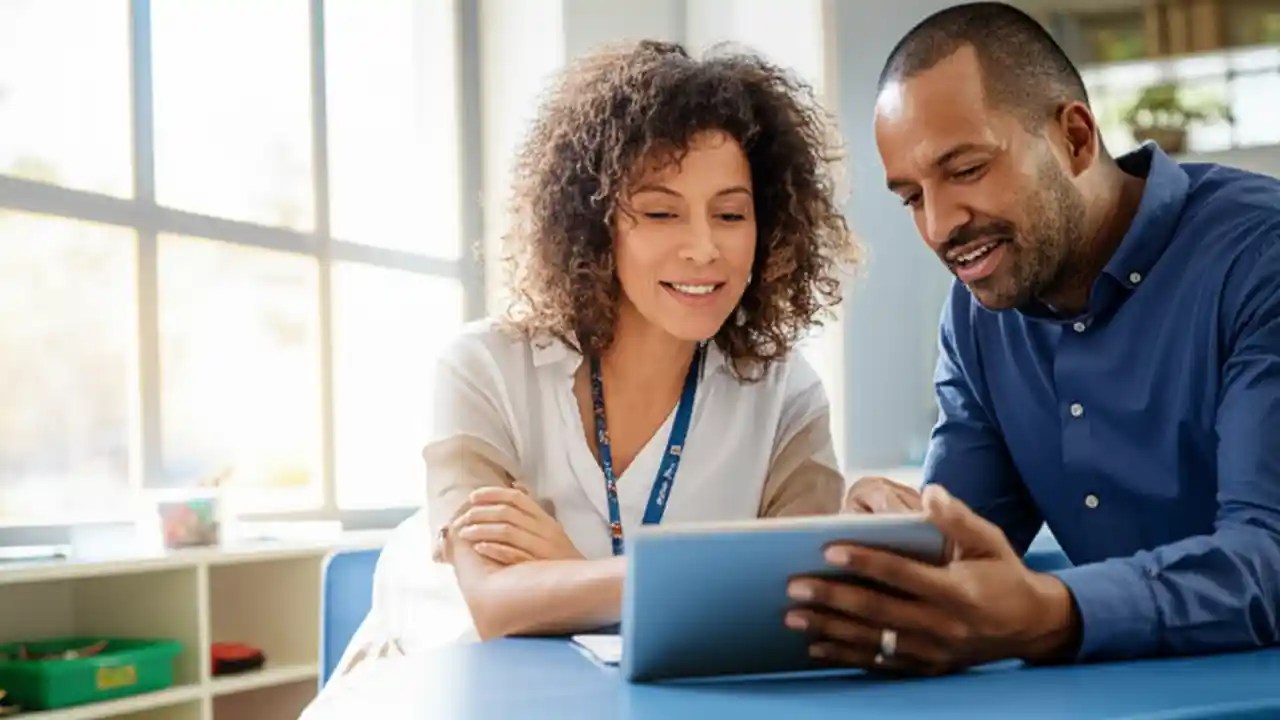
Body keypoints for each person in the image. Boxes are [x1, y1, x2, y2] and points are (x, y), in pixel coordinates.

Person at [783, 1, 1280, 675]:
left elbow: (1269, 557)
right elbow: (961, 554)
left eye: (965, 170)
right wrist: (892, 541)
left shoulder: (1260, 259)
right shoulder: (975, 319)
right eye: (911, 196)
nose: (938, 227)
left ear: (1075, 138)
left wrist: (1052, 612)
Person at [338, 38, 857, 659]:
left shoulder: (787, 398)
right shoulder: (483, 369)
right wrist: (679, 582)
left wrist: (569, 574)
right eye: (661, 214)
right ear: (595, 224)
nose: (703, 247)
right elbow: (497, 603)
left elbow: (797, 601)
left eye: (730, 215)